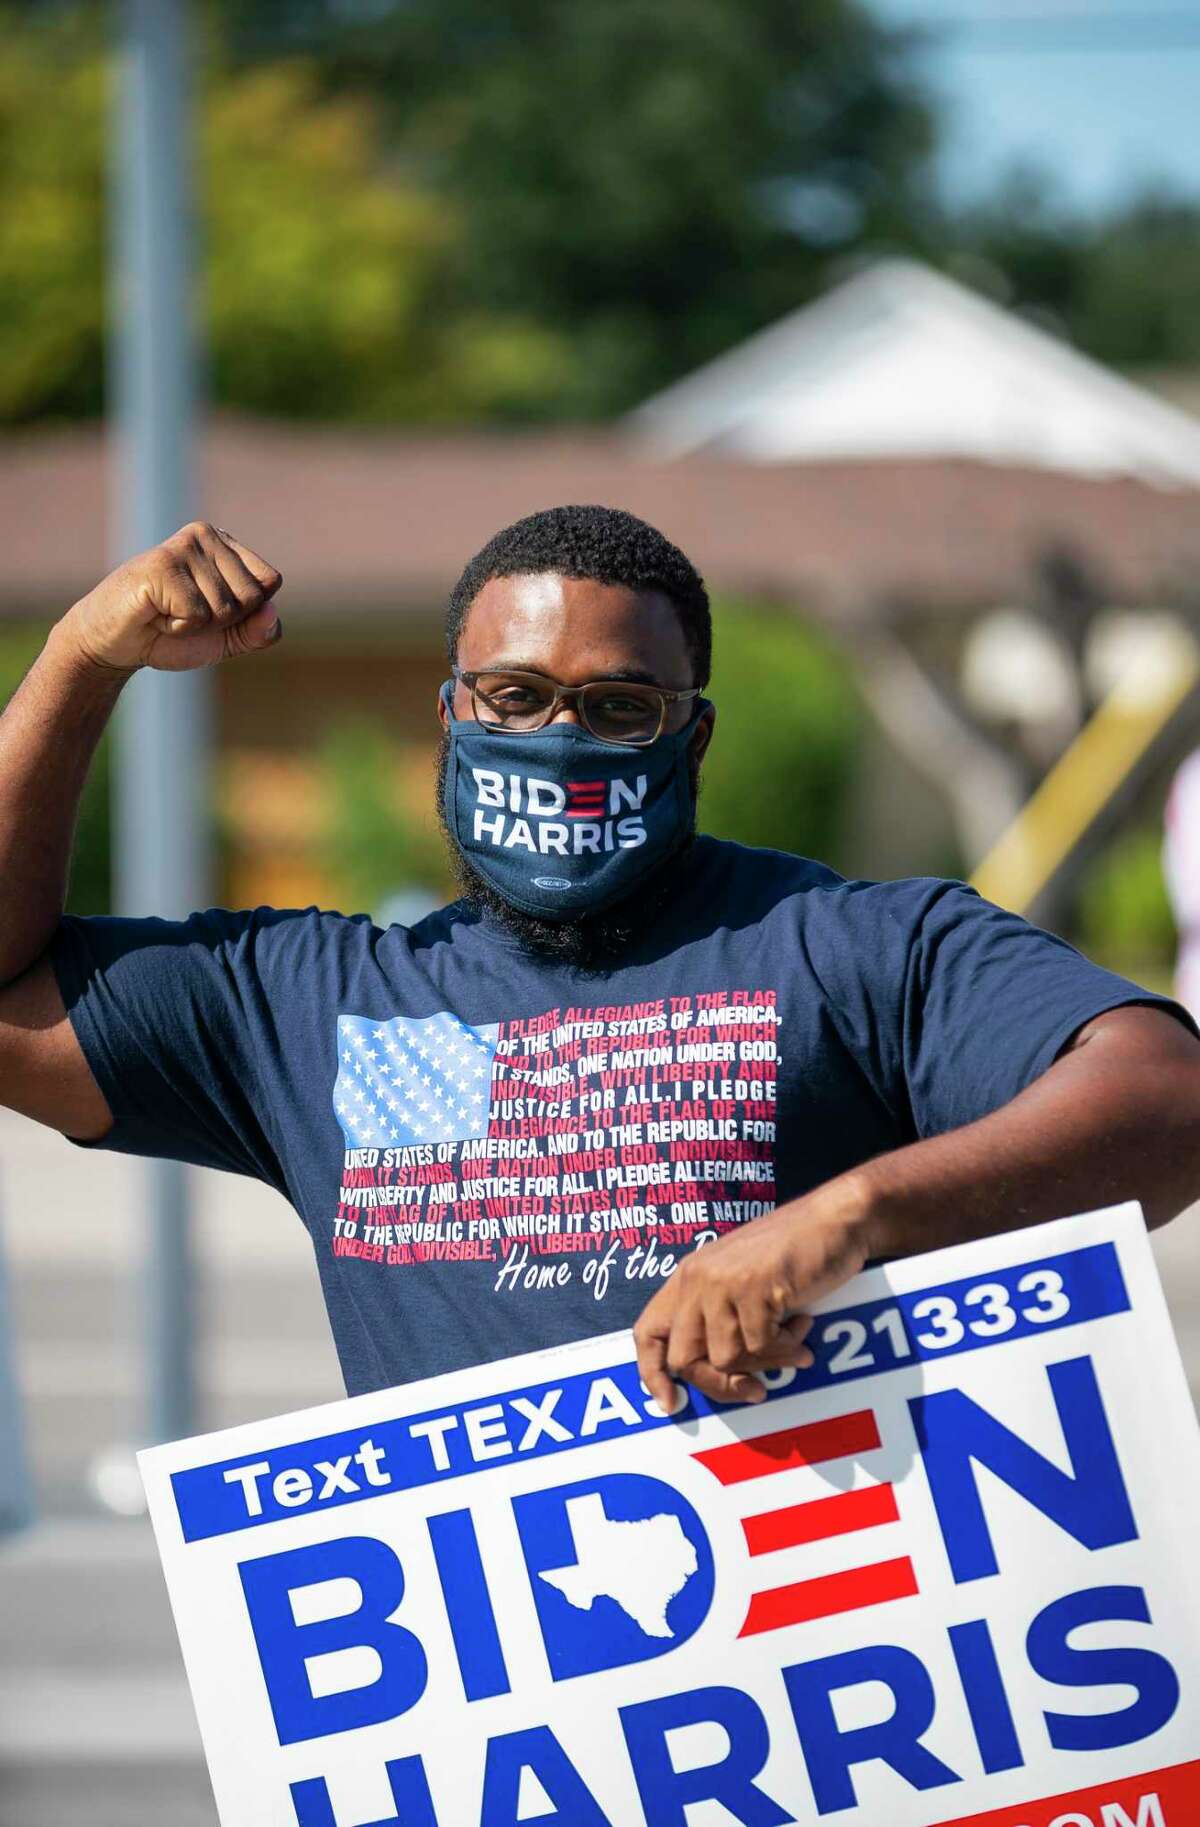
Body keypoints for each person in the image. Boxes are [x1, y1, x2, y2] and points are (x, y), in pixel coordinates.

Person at [1, 507, 1198, 1417]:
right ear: (450, 714)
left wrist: (853, 1217)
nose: (557, 739)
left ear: (696, 733)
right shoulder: (303, 1004)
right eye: (512, 697)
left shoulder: (854, 947)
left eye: (619, 708)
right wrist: (79, 662)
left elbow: (1168, 1099)